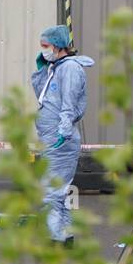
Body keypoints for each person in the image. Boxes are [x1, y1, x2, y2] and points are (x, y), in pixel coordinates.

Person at [31, 25, 92, 246]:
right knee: (59, 190)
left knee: (51, 190)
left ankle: (53, 238)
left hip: (60, 138)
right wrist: (41, 68)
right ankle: (63, 234)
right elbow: (43, 95)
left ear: (57, 46)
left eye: (46, 46)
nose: (43, 50)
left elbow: (69, 102)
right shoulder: (56, 68)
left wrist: (63, 130)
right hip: (52, 136)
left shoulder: (71, 69)